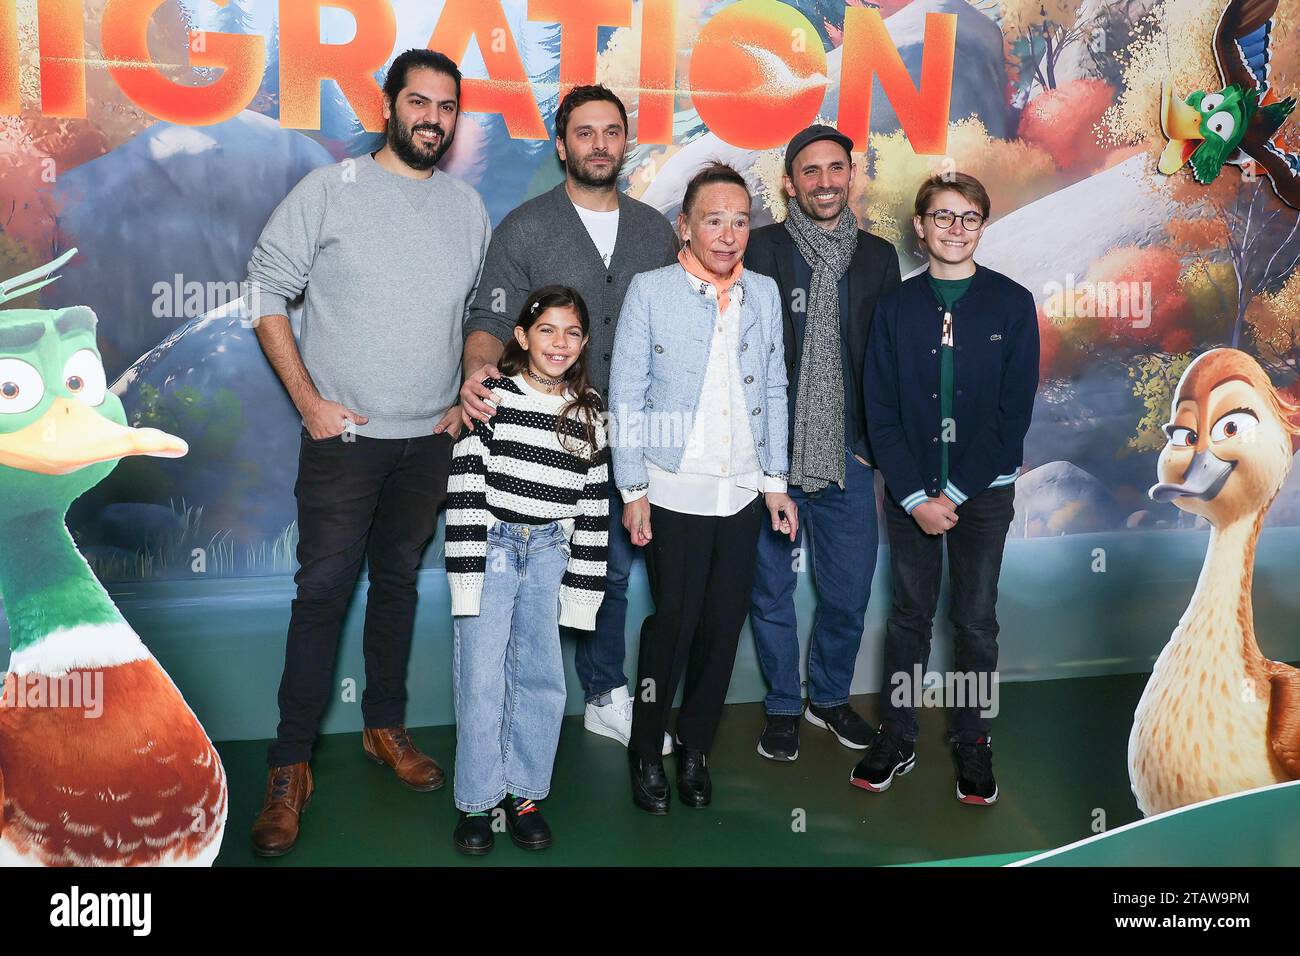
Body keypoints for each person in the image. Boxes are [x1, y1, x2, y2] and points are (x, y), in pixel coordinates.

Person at [244, 49, 490, 856]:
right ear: (389, 106)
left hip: (430, 444)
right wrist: (309, 402)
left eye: (446, 106)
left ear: (456, 117)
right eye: (418, 102)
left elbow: (475, 321)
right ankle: (290, 766)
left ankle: (385, 727)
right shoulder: (330, 189)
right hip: (343, 442)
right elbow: (265, 289)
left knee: (395, 588)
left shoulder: (466, 209)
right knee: (321, 595)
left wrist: (462, 397)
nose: (432, 117)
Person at [459, 85, 678, 753]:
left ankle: (606, 694)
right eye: (585, 132)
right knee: (538, 574)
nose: (600, 144)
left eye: (612, 131)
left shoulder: (653, 229)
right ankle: (509, 711)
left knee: (612, 570)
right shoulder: (525, 227)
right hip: (552, 437)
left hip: (639, 434)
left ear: (625, 141)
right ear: (562, 145)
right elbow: (492, 318)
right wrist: (476, 373)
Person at [608, 163, 796, 814]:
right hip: (672, 489)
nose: (728, 234)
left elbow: (773, 387)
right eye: (713, 220)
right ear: (684, 227)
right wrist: (632, 488)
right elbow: (626, 396)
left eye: (740, 220)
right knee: (674, 626)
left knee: (723, 625)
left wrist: (775, 482)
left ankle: (695, 748)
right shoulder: (651, 291)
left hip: (741, 489)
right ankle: (647, 747)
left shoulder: (765, 294)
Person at [859, 172, 1039, 805]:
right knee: (909, 618)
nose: (955, 228)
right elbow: (879, 410)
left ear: (982, 228)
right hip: (911, 494)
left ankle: (972, 738)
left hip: (982, 494)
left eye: (968, 218)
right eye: (943, 217)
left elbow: (1012, 416)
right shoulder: (896, 308)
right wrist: (915, 499)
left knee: (976, 620)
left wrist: (954, 495)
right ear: (920, 227)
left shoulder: (1011, 304)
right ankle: (898, 733)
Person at [744, 124, 901, 761]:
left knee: (848, 592)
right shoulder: (760, 250)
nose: (825, 182)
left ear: (851, 176)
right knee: (771, 590)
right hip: (773, 456)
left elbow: (889, 361)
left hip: (848, 455)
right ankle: (783, 704)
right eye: (811, 172)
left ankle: (828, 698)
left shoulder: (878, 257)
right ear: (790, 182)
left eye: (836, 169)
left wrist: (871, 445)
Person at [444, 286, 609, 855]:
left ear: (584, 342)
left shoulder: (589, 412)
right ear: (521, 337)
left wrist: (582, 592)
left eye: (571, 332)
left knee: (541, 675)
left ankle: (523, 792)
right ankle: (478, 799)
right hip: (491, 546)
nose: (558, 343)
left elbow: (593, 507)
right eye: (546, 330)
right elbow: (465, 485)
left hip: (551, 552)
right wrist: (466, 579)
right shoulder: (492, 397)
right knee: (482, 676)